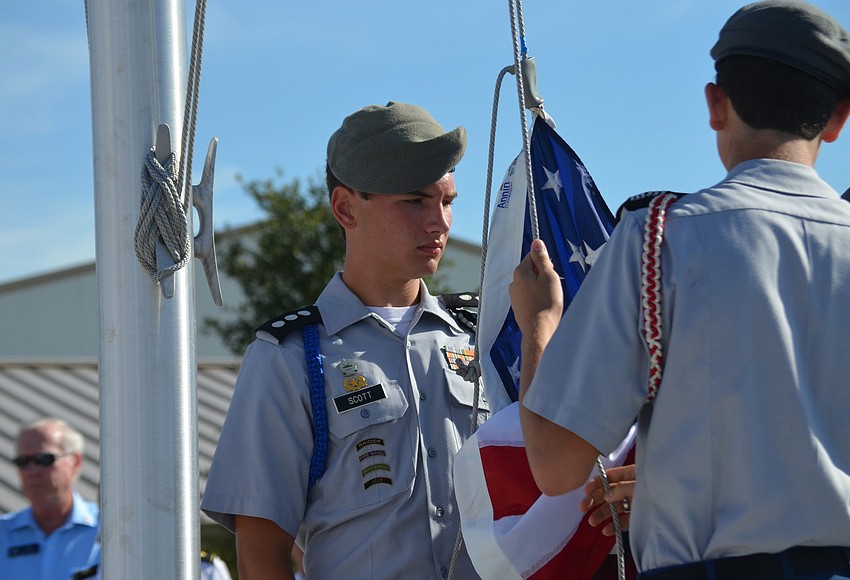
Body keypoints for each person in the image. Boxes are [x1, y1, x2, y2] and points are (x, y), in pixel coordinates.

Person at [510, 1, 850, 578]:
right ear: (839, 118)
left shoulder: (659, 239)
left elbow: (555, 464)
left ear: (716, 104)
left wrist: (540, 326)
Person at [202, 101, 488, 579]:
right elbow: (260, 557)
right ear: (345, 208)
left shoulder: (482, 337)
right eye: (415, 201)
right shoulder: (292, 357)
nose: (438, 222)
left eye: (448, 201)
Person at [0, 418, 100, 579]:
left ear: (75, 462)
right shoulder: (2, 534)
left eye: (44, 459)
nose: (32, 471)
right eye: (22, 462)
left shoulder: (112, 529)